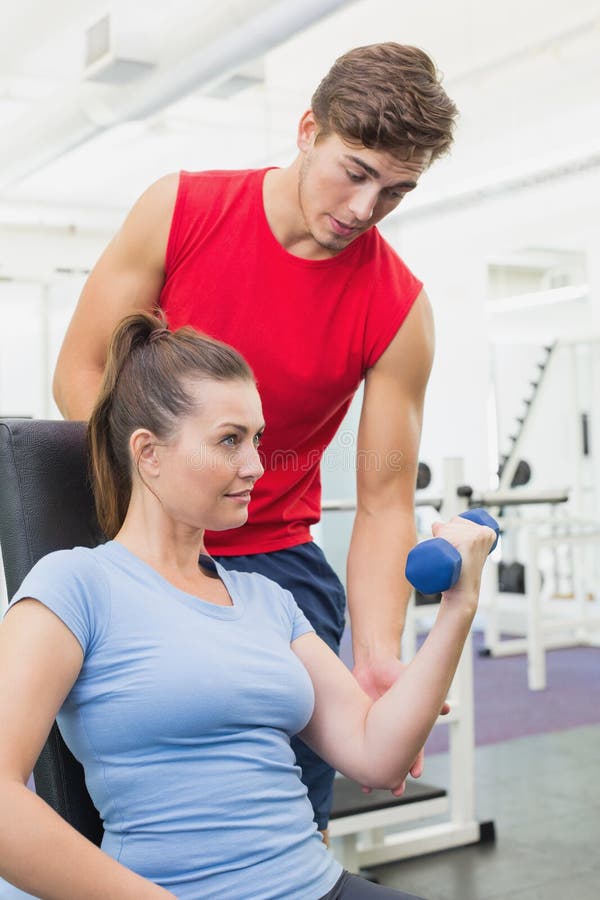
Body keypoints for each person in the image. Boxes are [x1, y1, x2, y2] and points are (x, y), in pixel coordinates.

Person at [52, 42, 459, 835]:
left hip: (274, 561)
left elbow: (382, 498)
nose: (365, 208)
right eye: (355, 170)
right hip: (139, 538)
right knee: (113, 808)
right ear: (309, 128)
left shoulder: (400, 308)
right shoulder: (181, 209)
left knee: (282, 818)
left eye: (396, 191)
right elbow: (84, 370)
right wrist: (152, 523)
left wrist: (375, 648)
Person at [0, 314, 494, 900]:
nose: (257, 465)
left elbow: (377, 754)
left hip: (319, 886)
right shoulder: (75, 585)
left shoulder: (266, 599)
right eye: (230, 439)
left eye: (257, 438)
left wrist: (458, 606)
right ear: (148, 453)